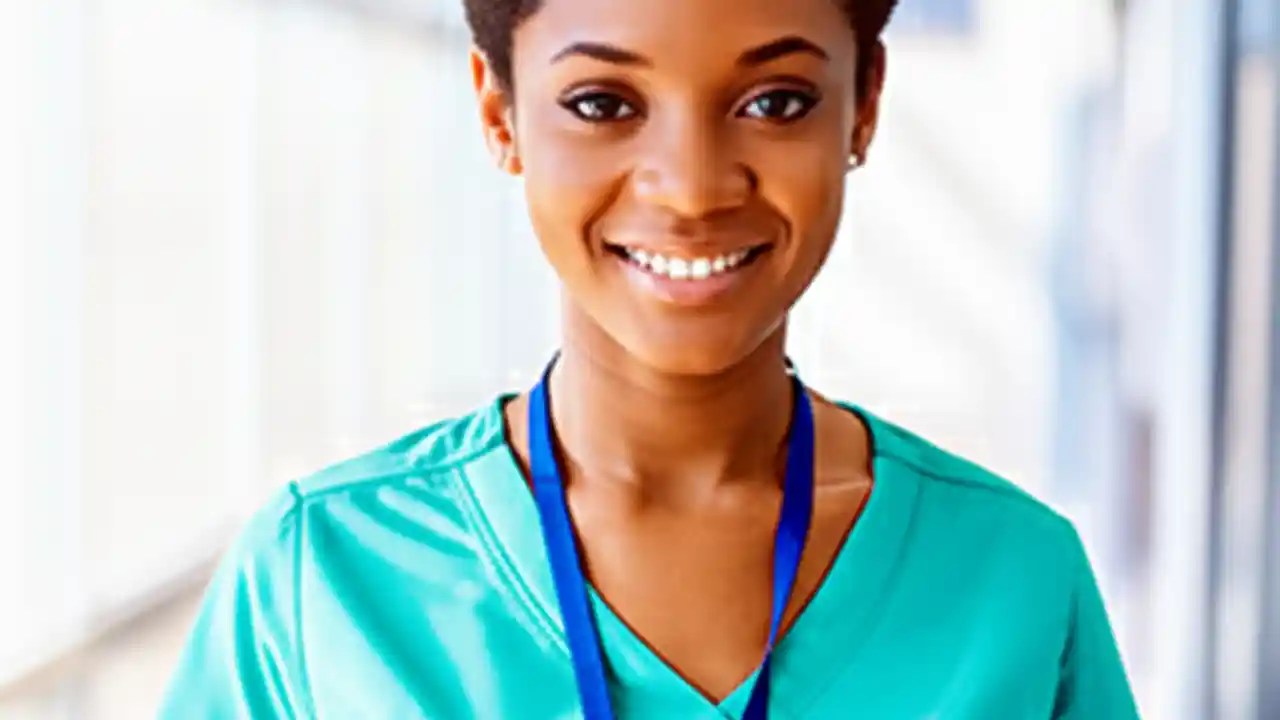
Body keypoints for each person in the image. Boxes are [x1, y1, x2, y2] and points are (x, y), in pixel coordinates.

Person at [161, 0, 1141, 717]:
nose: (689, 188)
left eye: (774, 100)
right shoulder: (322, 580)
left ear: (862, 106)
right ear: (498, 112)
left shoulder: (1011, 580)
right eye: (599, 103)